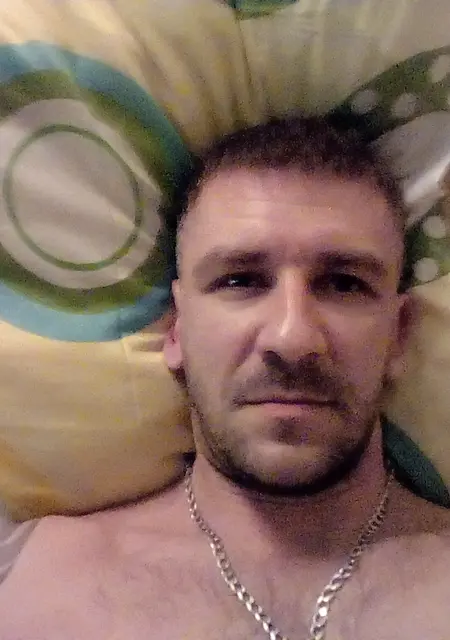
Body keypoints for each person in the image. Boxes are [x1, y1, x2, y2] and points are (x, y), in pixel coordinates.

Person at [0, 116, 449, 640]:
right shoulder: (33, 583)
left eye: (344, 284)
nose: (292, 337)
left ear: (399, 336)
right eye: (240, 280)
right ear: (176, 329)